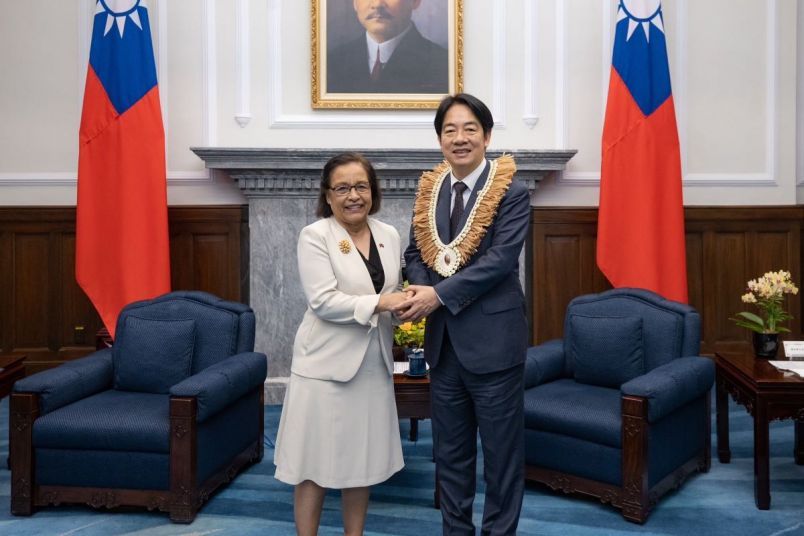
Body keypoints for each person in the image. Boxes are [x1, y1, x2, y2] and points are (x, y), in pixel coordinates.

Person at [396, 93, 530, 535]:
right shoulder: (430, 188)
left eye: (470, 128)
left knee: (501, 458)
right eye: (450, 130)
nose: (460, 138)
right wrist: (424, 287)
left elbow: (500, 261)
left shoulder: (511, 190)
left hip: (494, 345)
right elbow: (415, 252)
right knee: (449, 456)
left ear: (487, 136)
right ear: (439, 140)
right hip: (444, 347)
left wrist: (437, 295)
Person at [274, 152, 408, 536]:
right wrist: (384, 303)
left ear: (373, 191)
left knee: (359, 461)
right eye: (343, 188)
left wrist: (406, 307)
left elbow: (391, 293)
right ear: (328, 196)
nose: (354, 195)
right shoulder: (316, 236)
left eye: (361, 186)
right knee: (313, 462)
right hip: (325, 368)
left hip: (373, 365)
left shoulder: (389, 235)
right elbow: (324, 301)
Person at [327, 0, 448, 94]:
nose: (378, 4)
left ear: (415, 1)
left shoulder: (443, 65)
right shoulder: (332, 62)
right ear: (354, 2)